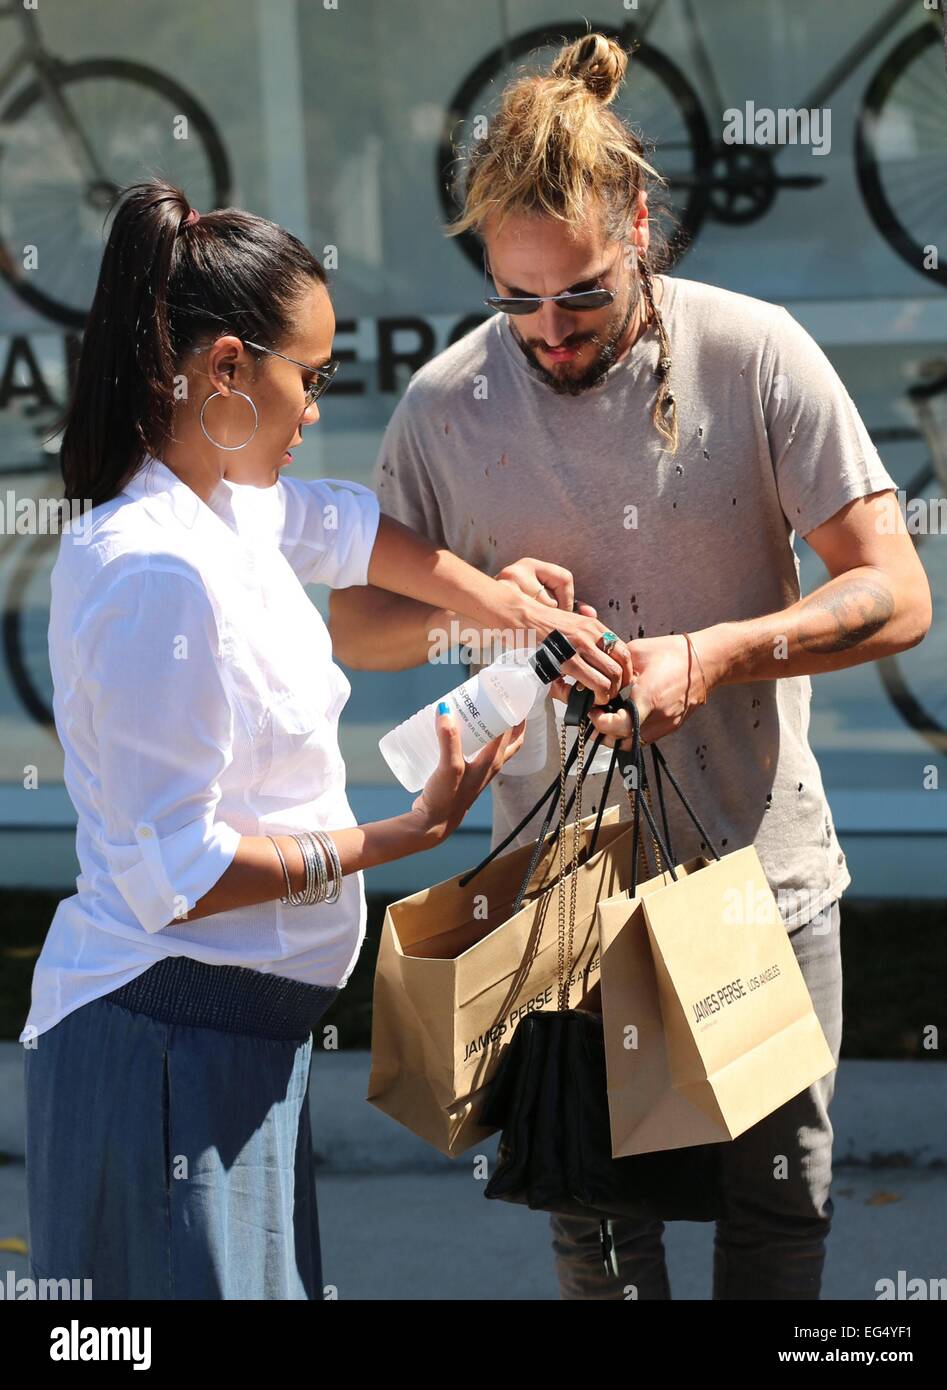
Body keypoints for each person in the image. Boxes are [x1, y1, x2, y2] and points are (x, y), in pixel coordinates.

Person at [328, 33, 932, 1299]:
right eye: (517, 301)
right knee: (597, 1228)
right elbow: (359, 628)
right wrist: (489, 617)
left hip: (757, 875)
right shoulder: (446, 404)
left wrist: (713, 655)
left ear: (641, 224)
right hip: (566, 895)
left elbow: (897, 590)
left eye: (584, 295)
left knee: (778, 1214)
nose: (548, 333)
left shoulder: (755, 353)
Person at [19, 178, 632, 1301]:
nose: (317, 405)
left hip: (237, 1050)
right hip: (162, 1050)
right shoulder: (156, 572)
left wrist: (511, 609)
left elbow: (353, 531)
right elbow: (182, 875)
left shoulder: (228, 507)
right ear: (224, 371)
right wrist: (407, 832)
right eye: (310, 376)